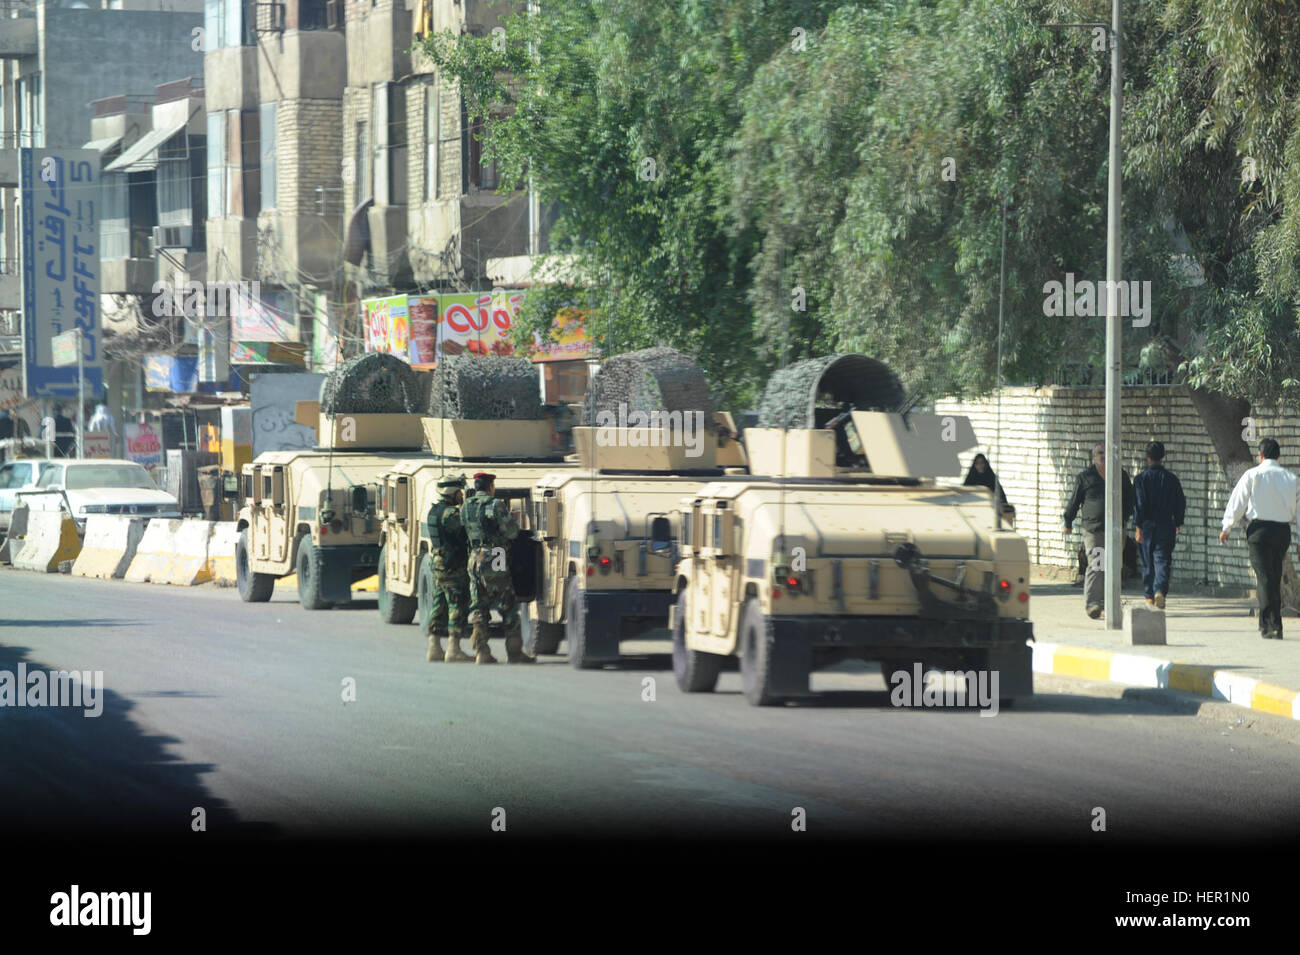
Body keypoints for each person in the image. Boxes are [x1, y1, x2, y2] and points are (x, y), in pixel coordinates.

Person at [1220, 438, 1300, 639]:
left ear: (1260, 455)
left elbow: (1237, 501)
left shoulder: (1252, 474)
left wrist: (1227, 526)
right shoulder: (1291, 479)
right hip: (1282, 532)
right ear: (1279, 456)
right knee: (1273, 575)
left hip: (1259, 532)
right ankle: (1271, 623)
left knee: (1265, 578)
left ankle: (1270, 625)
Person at [462, 472, 535, 665]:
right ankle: (514, 652)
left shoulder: (466, 506)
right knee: (508, 604)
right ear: (490, 487)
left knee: (479, 606)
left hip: (474, 557)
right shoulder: (495, 504)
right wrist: (512, 520)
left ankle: (481, 652)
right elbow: (511, 533)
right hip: (496, 555)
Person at [1063, 443, 1135, 619]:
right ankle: (1093, 604)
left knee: (1113, 565)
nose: (1103, 455)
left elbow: (1130, 499)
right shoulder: (1085, 477)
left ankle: (1110, 603)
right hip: (1093, 529)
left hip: (1116, 528)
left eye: (1106, 452)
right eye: (1099, 453)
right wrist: (1068, 521)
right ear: (1093, 457)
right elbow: (1074, 501)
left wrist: (1125, 518)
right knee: (1097, 563)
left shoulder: (1120, 475)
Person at [424, 473, 473, 663]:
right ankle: (454, 648)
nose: (462, 495)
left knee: (439, 604)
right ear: (452, 492)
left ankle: (434, 647)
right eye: (460, 492)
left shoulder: (434, 511)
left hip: (438, 564)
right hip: (452, 565)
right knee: (457, 604)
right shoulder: (450, 514)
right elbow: (465, 533)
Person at [1132, 441, 1186, 609]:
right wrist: (1178, 522)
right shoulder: (1172, 479)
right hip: (1166, 525)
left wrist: (1138, 527)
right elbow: (1180, 503)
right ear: (1163, 457)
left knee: (1147, 561)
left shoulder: (1140, 479)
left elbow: (1138, 504)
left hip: (1147, 526)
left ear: (1147, 457)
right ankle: (1160, 591)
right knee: (1162, 560)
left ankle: (1149, 595)